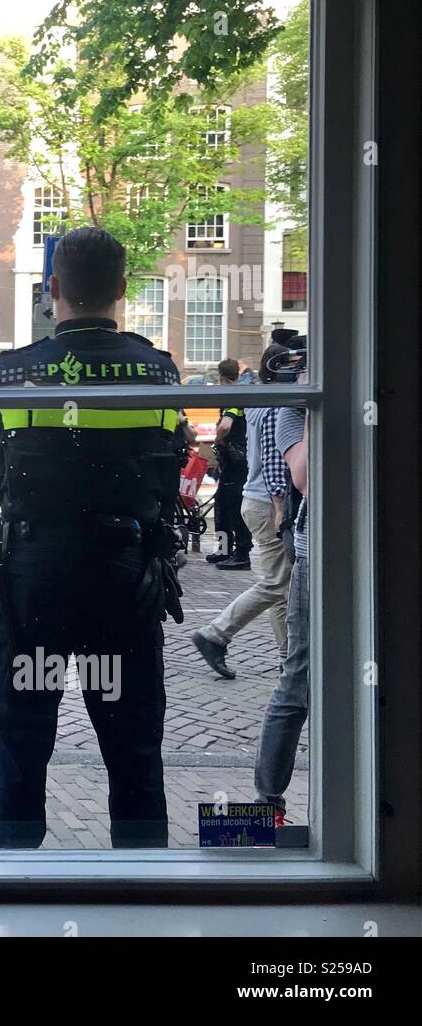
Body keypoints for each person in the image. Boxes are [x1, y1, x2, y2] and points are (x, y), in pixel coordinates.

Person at [0, 227, 184, 849]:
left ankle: (7, 896)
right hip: (125, 574)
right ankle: (143, 896)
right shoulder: (158, 372)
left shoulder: (10, 374)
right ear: (121, 289)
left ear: (53, 289)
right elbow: (167, 447)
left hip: (32, 576)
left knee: (20, 746)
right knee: (134, 750)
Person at [192, 341, 296, 680]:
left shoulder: (256, 399)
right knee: (275, 584)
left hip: (258, 499)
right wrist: (281, 505)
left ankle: (289, 659)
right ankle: (215, 633)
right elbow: (274, 459)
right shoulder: (277, 404)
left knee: (280, 586)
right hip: (268, 502)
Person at [254, 345, 310, 823]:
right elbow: (305, 477)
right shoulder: (290, 412)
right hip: (318, 551)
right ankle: (267, 800)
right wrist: (315, 404)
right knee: (299, 675)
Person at [210, 358, 252, 569]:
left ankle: (240, 554)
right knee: (224, 505)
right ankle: (224, 550)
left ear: (220, 375)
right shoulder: (240, 394)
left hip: (234, 462)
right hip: (238, 460)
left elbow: (226, 426)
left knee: (231, 507)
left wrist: (216, 442)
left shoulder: (232, 399)